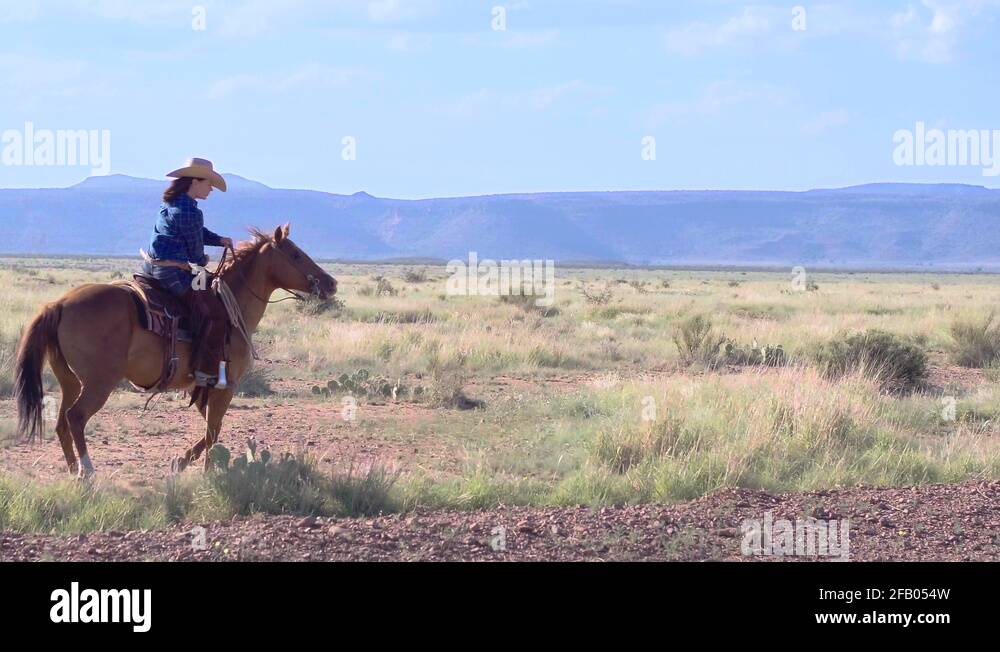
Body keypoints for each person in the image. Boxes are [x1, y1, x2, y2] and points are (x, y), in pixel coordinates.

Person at [141, 158, 234, 389]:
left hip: (152, 269)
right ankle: (204, 372)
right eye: (208, 183)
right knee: (216, 314)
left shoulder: (173, 204)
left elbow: (196, 232)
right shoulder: (190, 212)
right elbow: (196, 256)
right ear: (195, 181)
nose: (211, 188)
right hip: (174, 274)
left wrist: (219, 240)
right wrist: (204, 260)